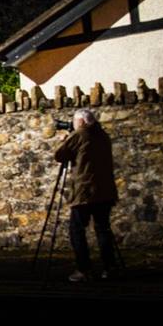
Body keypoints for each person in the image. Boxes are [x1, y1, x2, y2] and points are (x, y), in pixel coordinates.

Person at [55, 108, 120, 282]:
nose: (74, 124)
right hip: (105, 191)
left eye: (75, 121)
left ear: (82, 122)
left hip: (85, 191)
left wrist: (64, 140)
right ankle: (110, 268)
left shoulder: (80, 134)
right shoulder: (103, 135)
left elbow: (60, 155)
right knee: (103, 229)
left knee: (76, 230)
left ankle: (84, 269)